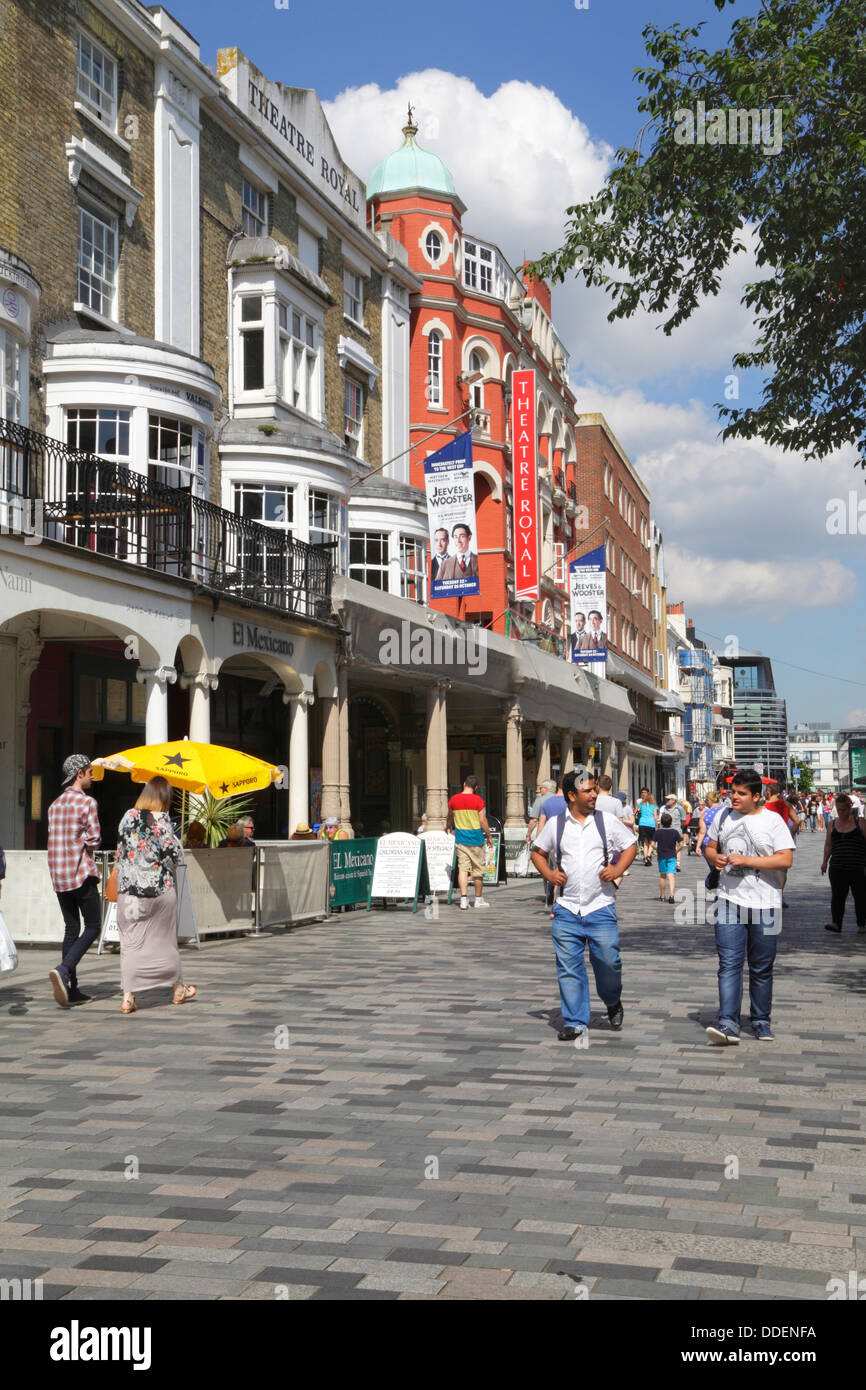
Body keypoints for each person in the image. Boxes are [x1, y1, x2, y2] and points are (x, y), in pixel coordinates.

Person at [531, 769, 637, 1041]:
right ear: (571, 795)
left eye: (594, 789)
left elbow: (630, 846)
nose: (594, 794)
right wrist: (550, 875)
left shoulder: (606, 821)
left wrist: (617, 870)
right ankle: (576, 1021)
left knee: (609, 962)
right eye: (587, 790)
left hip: (600, 906)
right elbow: (538, 853)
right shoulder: (557, 824)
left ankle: (612, 1000)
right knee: (569, 967)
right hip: (566, 909)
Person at [704, 768, 796, 1044]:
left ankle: (760, 1021)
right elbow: (710, 847)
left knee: (761, 966)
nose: (734, 797)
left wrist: (747, 860)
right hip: (728, 900)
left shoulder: (773, 821)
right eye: (733, 791)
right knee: (729, 964)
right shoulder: (722, 816)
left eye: (741, 793)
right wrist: (714, 858)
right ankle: (727, 1023)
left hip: (766, 903)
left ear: (757, 796)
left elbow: (785, 860)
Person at [115, 776, 195, 1015]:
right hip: (159, 890)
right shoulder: (162, 820)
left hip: (129, 892)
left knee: (130, 944)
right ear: (164, 799)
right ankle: (178, 989)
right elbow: (173, 856)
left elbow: (120, 851)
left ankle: (128, 997)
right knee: (165, 941)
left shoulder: (127, 817)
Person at [47, 754, 102, 1008]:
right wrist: (84, 843)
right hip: (80, 873)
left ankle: (71, 990)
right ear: (79, 773)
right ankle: (64, 968)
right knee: (93, 926)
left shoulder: (54, 805)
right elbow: (94, 839)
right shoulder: (87, 802)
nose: (92, 776)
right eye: (90, 772)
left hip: (59, 876)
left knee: (71, 928)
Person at [445, 773, 493, 910]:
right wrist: (489, 836)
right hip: (476, 839)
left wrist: (448, 825)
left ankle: (463, 899)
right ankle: (478, 900)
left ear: (464, 784)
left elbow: (450, 815)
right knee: (478, 870)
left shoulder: (453, 800)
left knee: (463, 869)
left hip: (461, 839)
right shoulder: (478, 800)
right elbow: (482, 820)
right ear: (476, 787)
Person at [821, 794, 866, 934]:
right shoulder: (832, 824)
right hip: (837, 867)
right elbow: (828, 844)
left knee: (860, 896)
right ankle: (836, 923)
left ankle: (861, 924)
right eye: (838, 809)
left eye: (844, 810)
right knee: (837, 896)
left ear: (850, 808)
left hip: (858, 867)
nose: (841, 813)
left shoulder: (860, 822)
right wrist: (824, 862)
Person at [654, 811, 682, 903]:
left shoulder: (658, 832)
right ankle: (671, 895)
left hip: (662, 856)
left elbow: (652, 844)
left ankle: (662, 896)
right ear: (671, 822)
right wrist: (676, 851)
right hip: (672, 856)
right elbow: (681, 844)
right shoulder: (675, 832)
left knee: (662, 876)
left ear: (661, 823)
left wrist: (657, 849)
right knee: (671, 876)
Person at [635, 788, 658, 865]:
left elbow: (636, 811)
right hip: (651, 824)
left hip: (642, 824)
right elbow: (655, 817)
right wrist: (656, 826)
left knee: (645, 843)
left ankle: (645, 858)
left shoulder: (641, 804)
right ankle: (648, 855)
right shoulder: (654, 805)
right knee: (652, 842)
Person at [698, 791, 720, 858]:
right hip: (722, 843)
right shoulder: (725, 811)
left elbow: (702, 832)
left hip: (709, 843)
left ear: (709, 800)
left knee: (712, 864)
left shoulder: (706, 813)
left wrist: (698, 846)